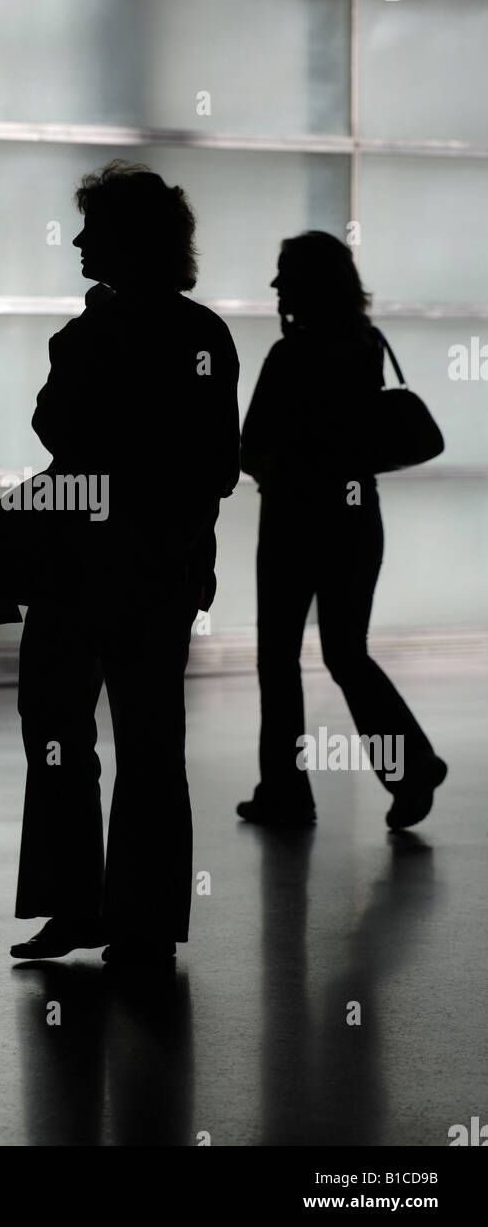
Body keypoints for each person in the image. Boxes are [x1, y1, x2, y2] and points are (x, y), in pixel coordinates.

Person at [6, 161, 241, 968]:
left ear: (125, 242)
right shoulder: (202, 334)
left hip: (77, 559)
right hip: (159, 563)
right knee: (149, 736)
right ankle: (141, 919)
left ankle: (73, 904)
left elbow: (56, 428)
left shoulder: (94, 332)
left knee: (57, 727)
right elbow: (215, 462)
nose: (77, 239)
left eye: (92, 228)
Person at [238, 230, 446, 830]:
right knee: (346, 653)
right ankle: (411, 766)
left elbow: (253, 446)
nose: (276, 286)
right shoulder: (364, 346)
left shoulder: (290, 356)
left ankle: (285, 790)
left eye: (285, 274)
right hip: (354, 519)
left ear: (306, 283)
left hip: (290, 523)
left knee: (277, 658)